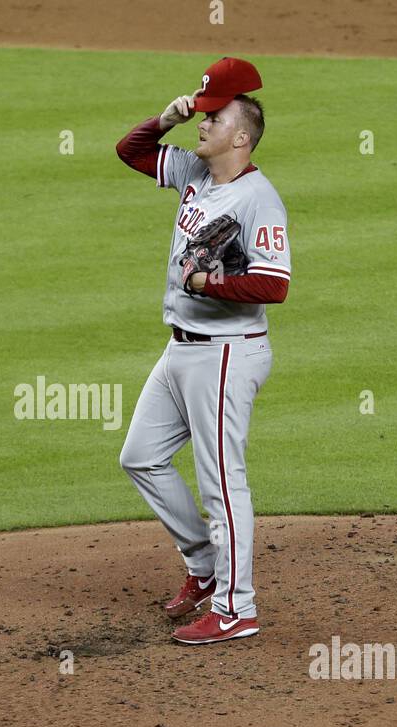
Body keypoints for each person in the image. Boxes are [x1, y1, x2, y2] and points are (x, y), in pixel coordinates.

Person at [115, 57, 291, 645]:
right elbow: (130, 152)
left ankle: (238, 608)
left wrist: (207, 284)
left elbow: (274, 284)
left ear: (241, 136)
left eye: (213, 116)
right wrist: (164, 118)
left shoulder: (258, 200)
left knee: (222, 482)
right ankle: (204, 566)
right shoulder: (194, 172)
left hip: (226, 353)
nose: (202, 121)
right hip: (182, 351)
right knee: (140, 455)